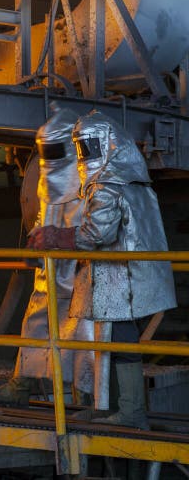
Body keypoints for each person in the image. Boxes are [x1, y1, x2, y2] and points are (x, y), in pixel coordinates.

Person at [29, 110, 177, 429]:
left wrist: (57, 236)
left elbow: (98, 234)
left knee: (119, 343)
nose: (84, 157)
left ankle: (131, 412)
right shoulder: (131, 179)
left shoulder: (107, 184)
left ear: (107, 144)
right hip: (126, 276)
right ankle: (106, 406)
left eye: (88, 147)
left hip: (119, 278)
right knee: (109, 343)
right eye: (80, 148)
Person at [0, 106, 94, 407]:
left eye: (56, 150)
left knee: (83, 336)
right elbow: (45, 214)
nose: (51, 159)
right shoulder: (48, 176)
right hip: (50, 271)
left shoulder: (90, 180)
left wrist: (60, 237)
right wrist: (37, 236)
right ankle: (20, 387)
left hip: (82, 274)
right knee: (35, 323)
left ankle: (87, 400)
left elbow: (97, 231)